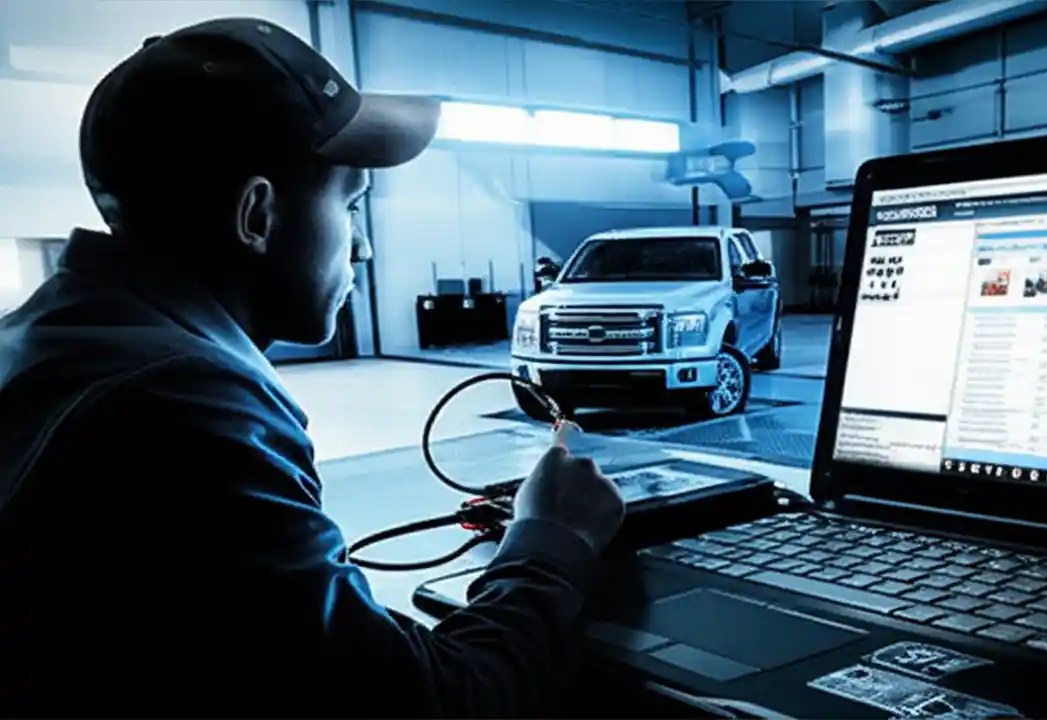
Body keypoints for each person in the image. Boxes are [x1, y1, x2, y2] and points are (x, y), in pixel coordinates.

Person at [0, 17, 624, 717]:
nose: (361, 250)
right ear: (258, 216)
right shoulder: (183, 406)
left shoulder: (38, 344)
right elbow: (437, 706)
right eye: (351, 205)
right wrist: (550, 541)